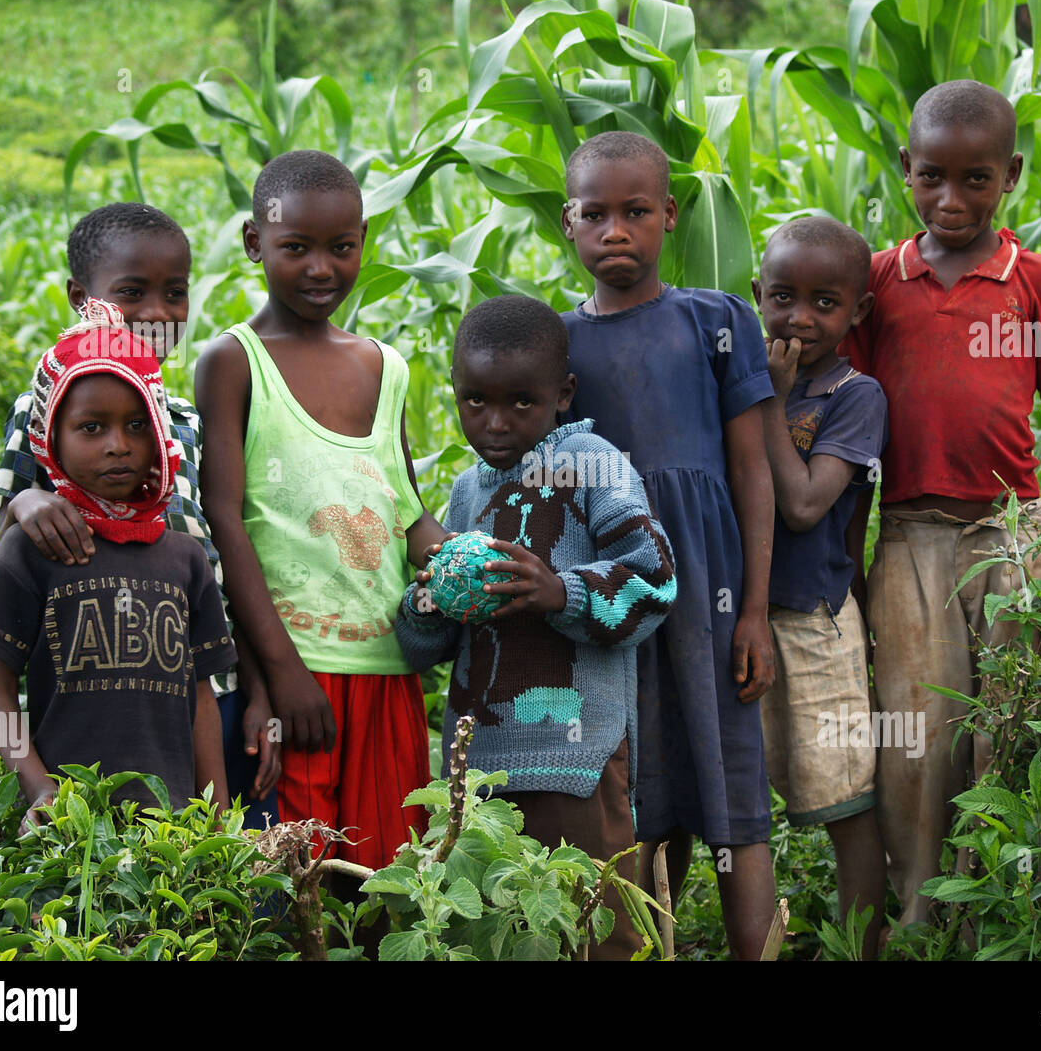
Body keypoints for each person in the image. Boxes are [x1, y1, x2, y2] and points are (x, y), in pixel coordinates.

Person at [841, 80, 1041, 926]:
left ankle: (998, 907)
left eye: (976, 179)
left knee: (1010, 724)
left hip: (1010, 535)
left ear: (1011, 175)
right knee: (916, 732)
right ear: (906, 170)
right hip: (910, 538)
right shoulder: (877, 283)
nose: (952, 199)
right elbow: (841, 419)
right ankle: (918, 911)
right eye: (933, 178)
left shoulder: (1040, 285)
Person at [394, 295, 676, 960]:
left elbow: (656, 579)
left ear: (562, 394)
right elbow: (422, 645)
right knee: (499, 933)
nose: (494, 423)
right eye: (474, 402)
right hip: (481, 774)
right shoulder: (467, 490)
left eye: (521, 402)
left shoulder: (592, 460)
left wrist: (562, 592)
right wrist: (432, 596)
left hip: (576, 758)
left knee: (592, 926)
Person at [0, 203, 279, 827]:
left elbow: (222, 561)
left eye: (175, 293)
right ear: (80, 296)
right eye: (131, 292)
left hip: (203, 688)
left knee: (213, 858)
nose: (156, 312)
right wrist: (24, 500)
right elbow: (5, 567)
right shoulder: (48, 406)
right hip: (89, 696)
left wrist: (258, 689)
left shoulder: (189, 425)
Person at [560, 130, 778, 959]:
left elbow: (752, 470)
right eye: (596, 214)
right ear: (567, 224)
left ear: (670, 216)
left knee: (730, 789)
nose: (616, 230)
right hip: (610, 600)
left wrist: (752, 608)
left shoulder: (717, 321)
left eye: (637, 211)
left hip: (710, 593)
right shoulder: (558, 342)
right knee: (628, 787)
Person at [196, 149, 443, 870]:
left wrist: (469, 561)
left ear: (363, 241)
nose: (320, 269)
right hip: (299, 675)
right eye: (295, 248)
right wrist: (283, 671)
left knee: (388, 878)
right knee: (300, 882)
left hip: (390, 672)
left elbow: (409, 515)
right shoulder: (235, 361)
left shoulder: (384, 367)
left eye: (341, 248)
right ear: (254, 242)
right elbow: (227, 519)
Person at [0, 308, 233, 822]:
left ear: (160, 432)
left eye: (138, 425)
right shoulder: (31, 549)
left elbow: (201, 701)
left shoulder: (185, 557)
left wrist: (218, 821)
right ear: (49, 437)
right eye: (91, 427)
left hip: (171, 832)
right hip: (66, 829)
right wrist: (41, 791)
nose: (119, 445)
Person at [753, 216, 888, 958]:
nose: (800, 318)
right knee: (740, 802)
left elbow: (805, 506)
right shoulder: (741, 379)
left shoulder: (856, 395)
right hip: (743, 617)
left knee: (844, 801)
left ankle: (860, 948)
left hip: (814, 622)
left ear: (858, 311)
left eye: (825, 302)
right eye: (783, 296)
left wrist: (771, 400)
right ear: (756, 294)